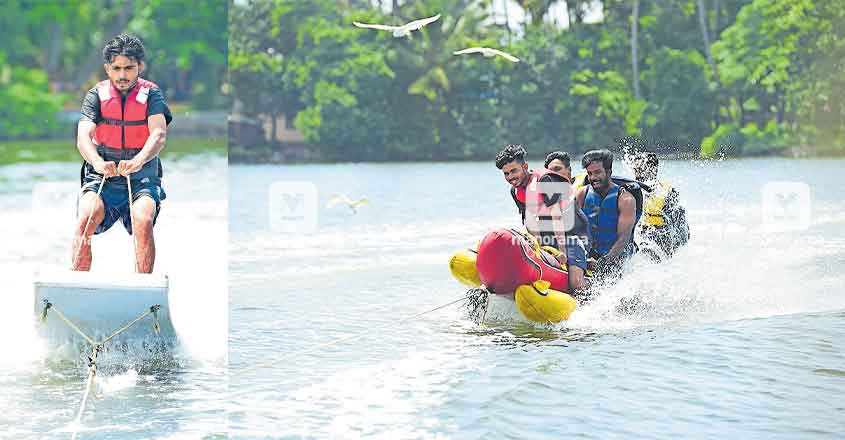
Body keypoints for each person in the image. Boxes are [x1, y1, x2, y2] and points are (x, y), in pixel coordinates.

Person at [71, 33, 172, 273]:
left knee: (143, 220)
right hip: (102, 175)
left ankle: (144, 290)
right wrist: (96, 161)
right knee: (85, 219)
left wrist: (138, 161)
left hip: (141, 175)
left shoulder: (152, 95)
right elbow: (83, 136)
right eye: (116, 68)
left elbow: (158, 134)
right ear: (107, 68)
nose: (123, 75)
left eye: (129, 68)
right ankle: (77, 285)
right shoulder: (95, 95)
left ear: (140, 67)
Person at [494, 145, 591, 295]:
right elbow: (529, 221)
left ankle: (594, 290)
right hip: (550, 237)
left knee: (575, 283)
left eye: (514, 171)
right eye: (506, 173)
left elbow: (556, 215)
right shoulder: (516, 191)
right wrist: (538, 246)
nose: (510, 177)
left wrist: (562, 251)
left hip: (575, 235)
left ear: (525, 166)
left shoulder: (545, 180)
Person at [576, 149, 640, 279]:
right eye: (589, 173)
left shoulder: (626, 200)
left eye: (598, 172)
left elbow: (624, 238)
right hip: (589, 258)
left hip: (617, 259)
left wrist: (603, 264)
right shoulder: (582, 194)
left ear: (609, 172)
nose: (593, 177)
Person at [629, 152, 689, 259]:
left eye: (639, 170)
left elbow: (679, 225)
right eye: (635, 170)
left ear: (652, 169)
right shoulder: (630, 190)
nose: (636, 174)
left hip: (660, 238)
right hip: (640, 236)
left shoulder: (667, 192)